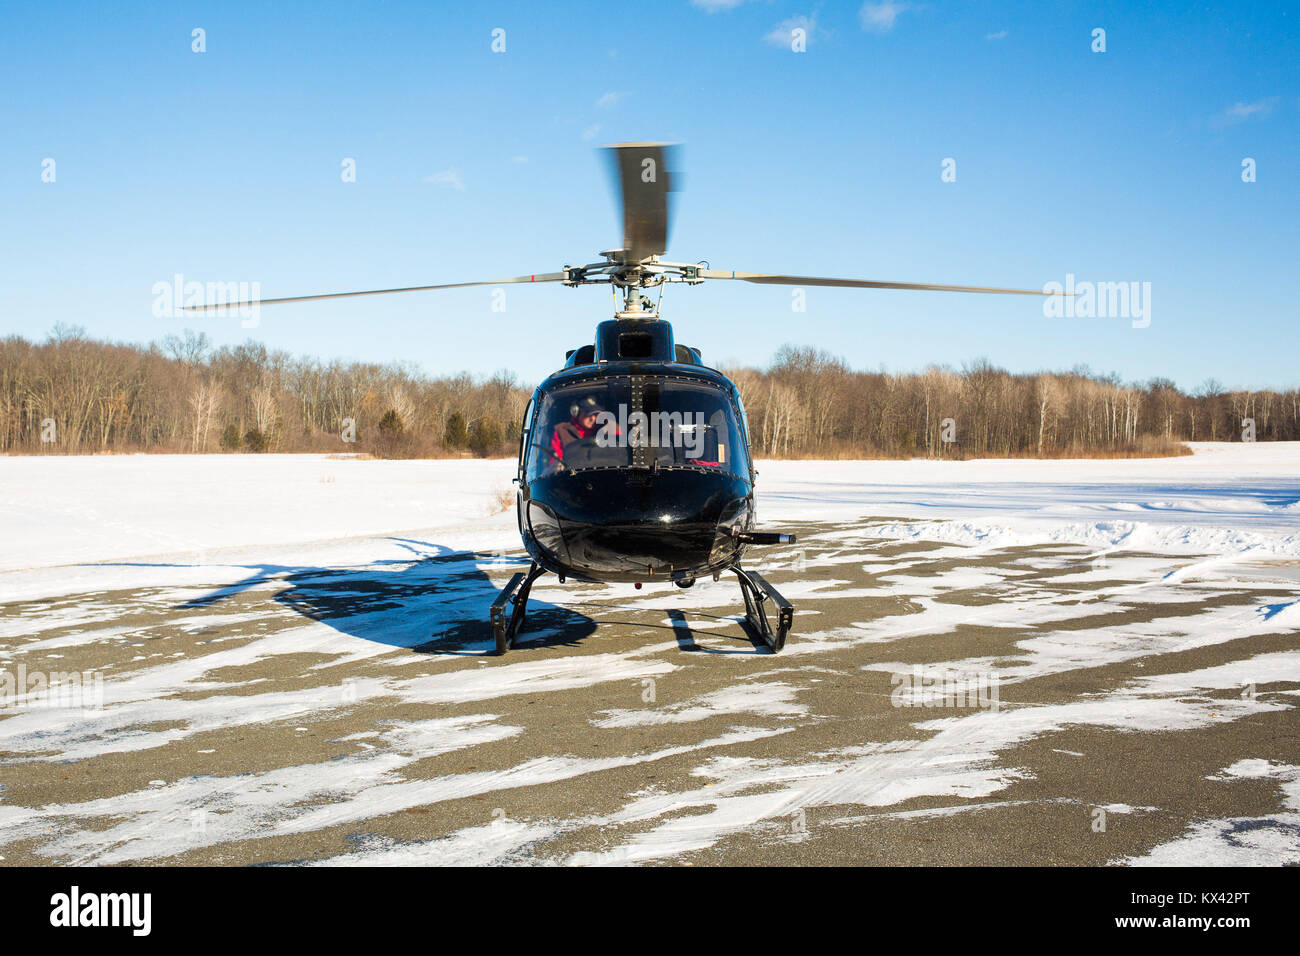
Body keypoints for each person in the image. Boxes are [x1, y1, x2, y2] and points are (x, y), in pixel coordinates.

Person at [549, 394, 605, 464]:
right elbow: (553, 462)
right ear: (576, 412)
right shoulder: (561, 431)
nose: (593, 418)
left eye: (596, 414)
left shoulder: (605, 430)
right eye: (588, 414)